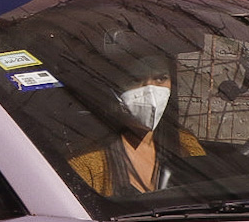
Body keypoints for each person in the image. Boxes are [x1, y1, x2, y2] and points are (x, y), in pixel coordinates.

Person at [69, 54, 205, 196]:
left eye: (160, 79)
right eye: (136, 80)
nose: (150, 92)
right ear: (114, 88)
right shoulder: (86, 163)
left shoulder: (186, 145)